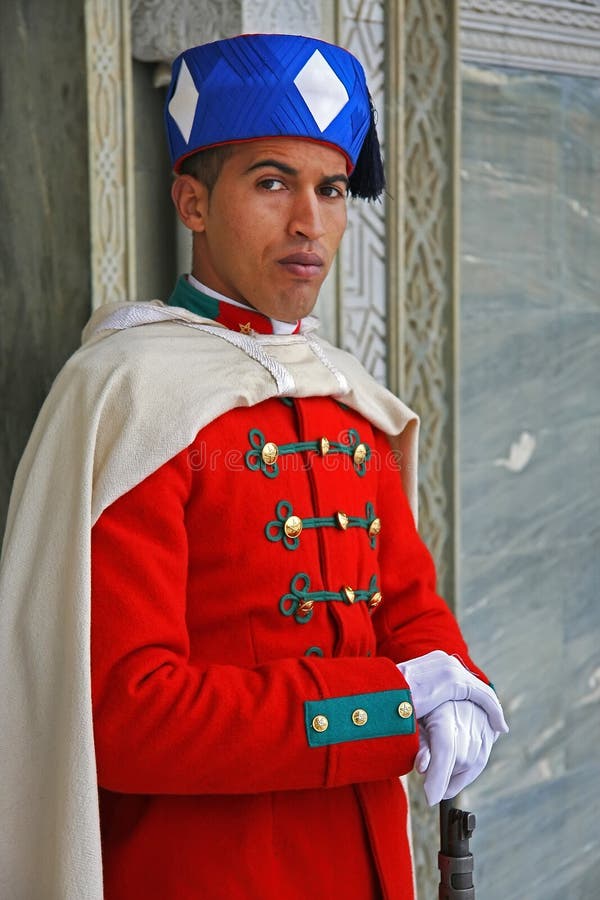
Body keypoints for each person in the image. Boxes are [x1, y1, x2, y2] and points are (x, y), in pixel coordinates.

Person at [0, 33, 507, 900]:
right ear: (191, 202)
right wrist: (390, 706)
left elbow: (409, 607)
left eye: (334, 189)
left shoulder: (348, 395)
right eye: (273, 184)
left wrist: (454, 687)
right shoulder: (127, 398)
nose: (310, 222)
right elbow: (129, 715)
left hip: (370, 864)